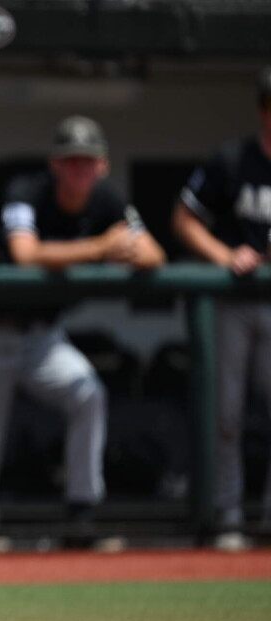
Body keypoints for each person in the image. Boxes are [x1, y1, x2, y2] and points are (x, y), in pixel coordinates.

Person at [0, 116, 165, 534]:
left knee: (88, 394)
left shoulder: (107, 201)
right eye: (71, 160)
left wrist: (120, 248)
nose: (79, 168)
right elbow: (25, 254)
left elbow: (154, 255)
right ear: (55, 164)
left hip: (41, 337)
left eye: (88, 160)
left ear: (102, 165)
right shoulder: (27, 191)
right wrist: (100, 247)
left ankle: (82, 508)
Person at [172, 67, 271, 532]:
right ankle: (226, 514)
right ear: (262, 110)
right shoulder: (233, 160)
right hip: (234, 298)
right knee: (225, 414)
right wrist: (225, 255)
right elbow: (184, 219)